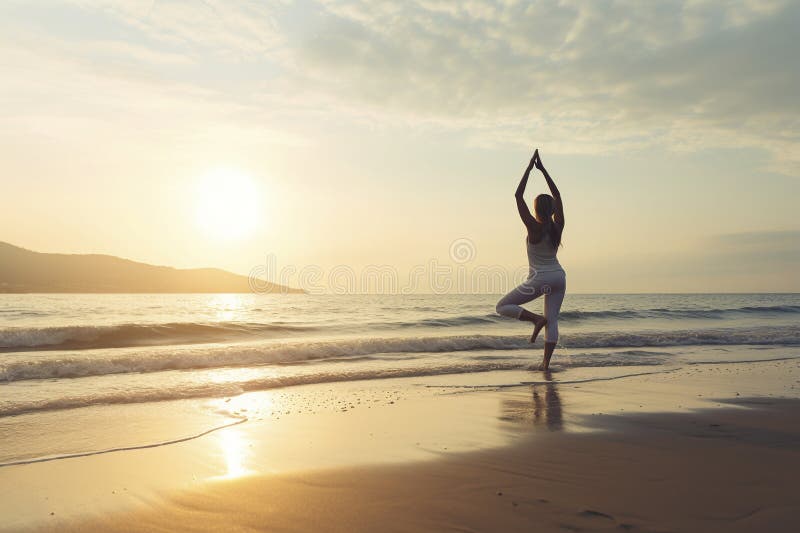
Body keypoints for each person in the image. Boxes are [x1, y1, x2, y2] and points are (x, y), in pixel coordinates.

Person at [496, 149, 566, 370]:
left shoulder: (534, 227)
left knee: (502, 306)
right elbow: (559, 196)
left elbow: (518, 196)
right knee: (552, 321)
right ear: (553, 208)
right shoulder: (558, 226)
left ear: (535, 209)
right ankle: (545, 364)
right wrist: (543, 170)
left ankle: (535, 319)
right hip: (559, 277)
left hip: (540, 278)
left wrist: (528, 168)